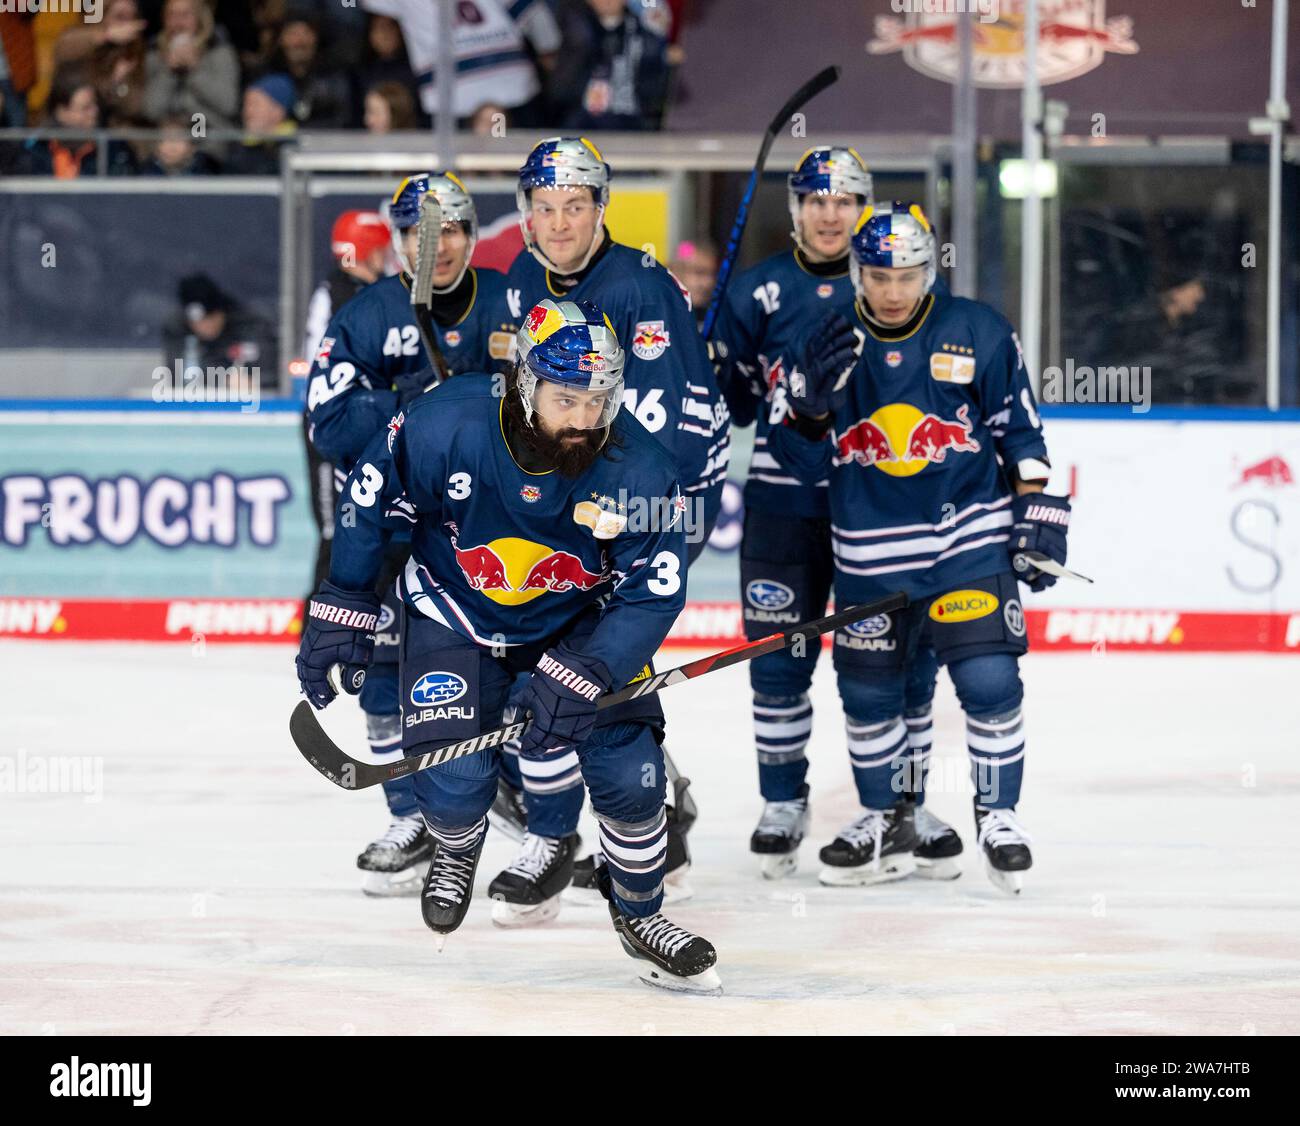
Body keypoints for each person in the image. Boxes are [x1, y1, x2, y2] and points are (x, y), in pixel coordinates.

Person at [295, 298, 721, 993]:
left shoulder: (640, 467)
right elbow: (370, 500)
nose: (585, 418)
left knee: (631, 776)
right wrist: (345, 598)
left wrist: (596, 663)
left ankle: (642, 913)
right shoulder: (445, 421)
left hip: (578, 625)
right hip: (454, 614)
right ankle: (459, 845)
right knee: (456, 787)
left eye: (599, 398)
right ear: (525, 384)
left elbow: (653, 587)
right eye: (566, 398)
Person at [766, 202, 1070, 895]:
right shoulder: (822, 340)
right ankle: (886, 817)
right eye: (879, 275)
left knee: (990, 683)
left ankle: (1000, 816)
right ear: (858, 273)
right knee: (870, 698)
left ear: (930, 270)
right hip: (871, 557)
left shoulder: (977, 330)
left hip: (968, 542)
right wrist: (809, 408)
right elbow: (798, 462)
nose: (894, 291)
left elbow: (1019, 433)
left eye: (907, 275)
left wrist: (1037, 507)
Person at [486, 135, 729, 923]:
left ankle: (580, 833)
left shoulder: (642, 287)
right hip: (574, 504)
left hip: (653, 502)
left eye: (575, 206)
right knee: (572, 674)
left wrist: (628, 528)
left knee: (580, 666)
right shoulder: (524, 276)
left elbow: (667, 431)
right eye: (545, 207)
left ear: (601, 207)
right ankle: (661, 816)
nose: (559, 223)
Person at [304, 173, 510, 896]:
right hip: (390, 527)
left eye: (449, 229)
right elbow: (326, 421)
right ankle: (413, 815)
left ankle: (521, 806)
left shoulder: (510, 301)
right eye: (420, 232)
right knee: (385, 677)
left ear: (470, 234)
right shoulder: (367, 314)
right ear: (397, 242)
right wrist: (409, 403)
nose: (436, 245)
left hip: (482, 529)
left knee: (502, 672)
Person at [301, 209, 392, 608]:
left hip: (365, 427)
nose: (387, 259)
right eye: (381, 252)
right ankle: (320, 628)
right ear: (367, 252)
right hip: (335, 432)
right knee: (337, 530)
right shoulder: (339, 296)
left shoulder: (350, 293)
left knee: (367, 529)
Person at [359, 0, 558, 128]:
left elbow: (532, 14)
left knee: (513, 166)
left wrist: (549, 53)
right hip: (453, 102)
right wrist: (549, 51)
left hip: (509, 93)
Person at [550, 0, 670, 131]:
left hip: (629, 118)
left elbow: (654, 82)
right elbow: (561, 85)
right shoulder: (575, 31)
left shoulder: (643, 33)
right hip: (580, 116)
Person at [161, 273, 278, 393]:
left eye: (211, 318)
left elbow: (274, 375)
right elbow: (179, 378)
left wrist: (256, 382)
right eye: (197, 322)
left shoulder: (251, 327)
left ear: (222, 312)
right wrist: (223, 381)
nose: (205, 326)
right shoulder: (178, 332)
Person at [141, 0, 241, 133]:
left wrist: (195, 69)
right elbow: (151, 111)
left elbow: (228, 105)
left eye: (185, 15)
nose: (178, 23)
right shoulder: (154, 56)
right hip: (167, 143)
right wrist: (168, 71)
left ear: (199, 19)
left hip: (210, 139)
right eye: (172, 15)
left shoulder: (220, 54)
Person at [265, 13, 352, 128]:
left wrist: (297, 130)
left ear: (316, 38)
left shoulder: (334, 76)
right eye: (292, 33)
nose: (299, 41)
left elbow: (343, 119)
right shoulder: (267, 76)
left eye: (306, 33)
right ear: (281, 39)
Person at [222, 71, 296, 174]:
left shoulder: (296, 148)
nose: (248, 111)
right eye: (246, 105)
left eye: (255, 104)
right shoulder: (238, 149)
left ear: (278, 110)